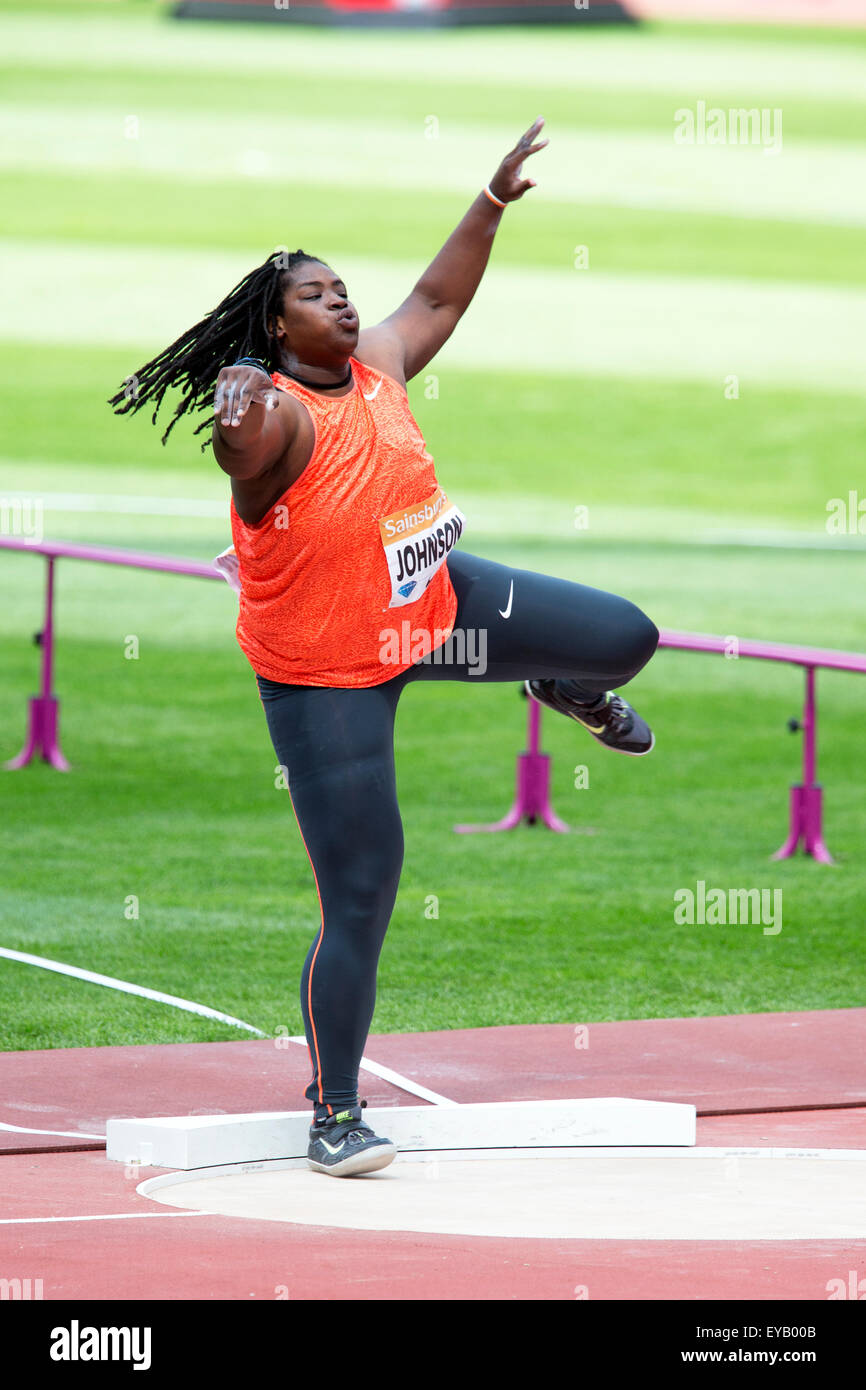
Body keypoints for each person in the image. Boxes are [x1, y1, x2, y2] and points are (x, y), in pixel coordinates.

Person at [110, 118, 659, 1178]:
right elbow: (243, 452)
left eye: (341, 289)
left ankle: (555, 678)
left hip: (436, 609)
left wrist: (489, 202)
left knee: (622, 636)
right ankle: (334, 1111)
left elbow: (440, 300)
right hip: (328, 671)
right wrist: (232, 412)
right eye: (315, 297)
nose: (343, 302)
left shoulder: (375, 364)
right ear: (273, 334)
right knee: (362, 891)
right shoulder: (272, 415)